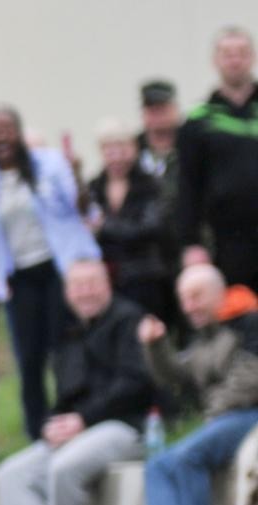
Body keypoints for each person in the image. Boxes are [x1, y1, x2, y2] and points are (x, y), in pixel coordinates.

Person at [0, 260, 155, 505]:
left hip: (123, 428)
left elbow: (137, 386)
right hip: (78, 431)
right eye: (77, 286)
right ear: (67, 293)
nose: (85, 292)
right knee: (13, 473)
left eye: (92, 283)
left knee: (63, 468)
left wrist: (84, 419)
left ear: (107, 283)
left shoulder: (128, 320)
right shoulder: (69, 332)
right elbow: (66, 397)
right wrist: (54, 426)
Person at [0, 107, 101, 440]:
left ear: (19, 133)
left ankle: (71, 417)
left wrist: (78, 175)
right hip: (19, 277)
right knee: (29, 357)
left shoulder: (49, 164)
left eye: (7, 129)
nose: (1, 137)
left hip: (56, 269)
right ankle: (37, 430)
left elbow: (83, 207)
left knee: (63, 348)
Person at [140, 264, 258, 505]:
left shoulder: (248, 321)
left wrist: (214, 412)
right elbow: (177, 376)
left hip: (247, 415)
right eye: (184, 299)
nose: (189, 306)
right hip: (222, 420)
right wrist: (156, 346)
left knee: (188, 457)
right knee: (157, 466)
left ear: (219, 292)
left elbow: (251, 379)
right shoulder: (206, 336)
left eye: (197, 296)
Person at [177, 26, 258, 290]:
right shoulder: (199, 119)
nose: (235, 60)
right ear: (215, 61)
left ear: (253, 58)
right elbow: (188, 184)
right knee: (236, 307)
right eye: (227, 54)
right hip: (226, 241)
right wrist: (191, 243)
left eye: (242, 53)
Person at [87, 119, 180, 326]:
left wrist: (105, 227)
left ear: (134, 149)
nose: (116, 156)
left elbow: (151, 228)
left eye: (122, 148)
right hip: (110, 279)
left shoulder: (152, 186)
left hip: (146, 278)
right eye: (109, 150)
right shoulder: (94, 188)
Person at [137, 80, 183, 200]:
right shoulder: (133, 151)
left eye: (162, 110)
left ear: (175, 110)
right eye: (152, 111)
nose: (157, 117)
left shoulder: (192, 146)